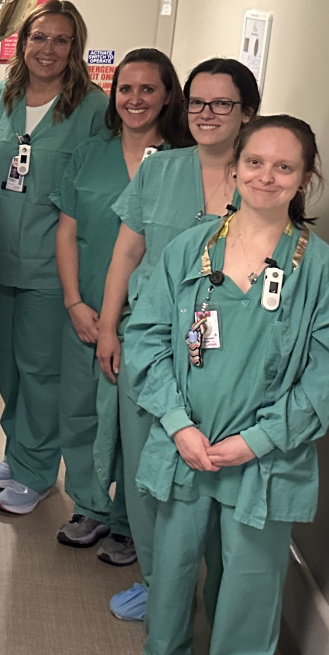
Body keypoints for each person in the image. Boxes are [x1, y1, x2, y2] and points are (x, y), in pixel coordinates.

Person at [116, 116, 329, 655]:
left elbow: (325, 375)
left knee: (250, 574)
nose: (266, 176)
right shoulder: (191, 251)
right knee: (171, 561)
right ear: (234, 169)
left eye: (284, 167)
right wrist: (177, 425)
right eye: (255, 163)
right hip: (187, 444)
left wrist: (259, 440)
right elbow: (144, 340)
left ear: (307, 179)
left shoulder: (320, 272)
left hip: (264, 455)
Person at [94, 58, 261, 620]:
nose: (206, 114)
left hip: (230, 354)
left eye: (222, 104)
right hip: (151, 339)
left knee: (214, 469)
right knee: (147, 468)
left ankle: (213, 588)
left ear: (248, 113)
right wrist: (108, 328)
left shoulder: (260, 178)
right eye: (197, 102)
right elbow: (127, 252)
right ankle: (157, 579)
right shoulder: (159, 169)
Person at [0, 0, 109, 516]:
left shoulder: (93, 108)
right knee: (6, 366)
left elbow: (97, 191)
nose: (48, 49)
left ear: (75, 48)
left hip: (53, 266)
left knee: (42, 370)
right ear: (22, 43)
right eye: (39, 37)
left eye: (60, 40)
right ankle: (20, 450)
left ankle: (38, 469)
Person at [51, 49, 190, 563]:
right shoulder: (91, 153)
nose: (135, 99)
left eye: (148, 89)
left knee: (137, 421)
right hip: (85, 304)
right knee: (81, 411)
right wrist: (73, 302)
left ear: (169, 94)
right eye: (125, 89)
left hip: (151, 317)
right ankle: (89, 505)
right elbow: (66, 232)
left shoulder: (184, 160)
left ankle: (131, 520)